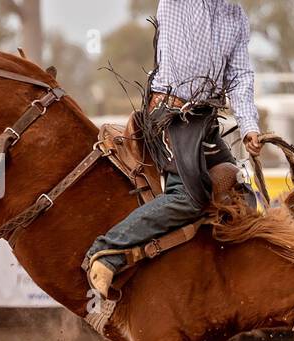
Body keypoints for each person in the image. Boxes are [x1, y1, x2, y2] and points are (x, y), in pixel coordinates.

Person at [84, 0, 264, 297]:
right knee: (188, 198)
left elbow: (240, 76)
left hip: (203, 121)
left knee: (241, 199)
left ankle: (212, 288)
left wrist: (249, 127)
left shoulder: (235, 16)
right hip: (170, 116)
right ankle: (106, 252)